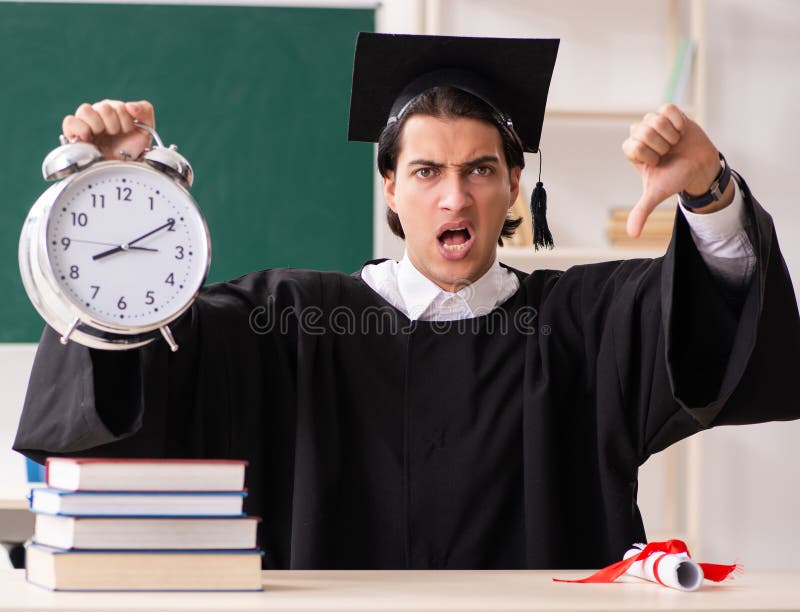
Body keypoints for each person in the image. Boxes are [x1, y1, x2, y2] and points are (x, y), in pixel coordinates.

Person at [14, 33, 800, 570]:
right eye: (426, 172)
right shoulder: (289, 323)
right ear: (390, 187)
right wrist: (121, 194)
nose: (454, 197)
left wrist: (710, 193)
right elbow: (137, 349)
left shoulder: (580, 326)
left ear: (514, 185)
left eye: (481, 170)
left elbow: (719, 302)